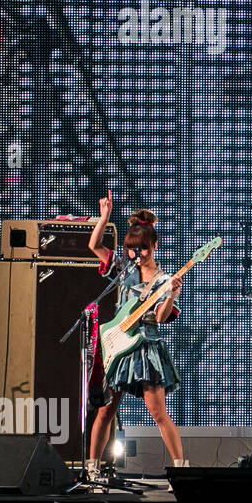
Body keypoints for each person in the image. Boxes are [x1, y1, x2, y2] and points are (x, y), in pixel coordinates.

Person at [87, 190, 185, 474]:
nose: (136, 254)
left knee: (158, 413)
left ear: (153, 245)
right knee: (106, 410)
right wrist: (104, 217)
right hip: (119, 347)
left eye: (141, 249)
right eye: (132, 249)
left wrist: (170, 295)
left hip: (146, 348)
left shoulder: (164, 279)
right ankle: (92, 468)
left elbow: (163, 317)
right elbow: (95, 245)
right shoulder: (124, 270)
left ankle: (180, 469)